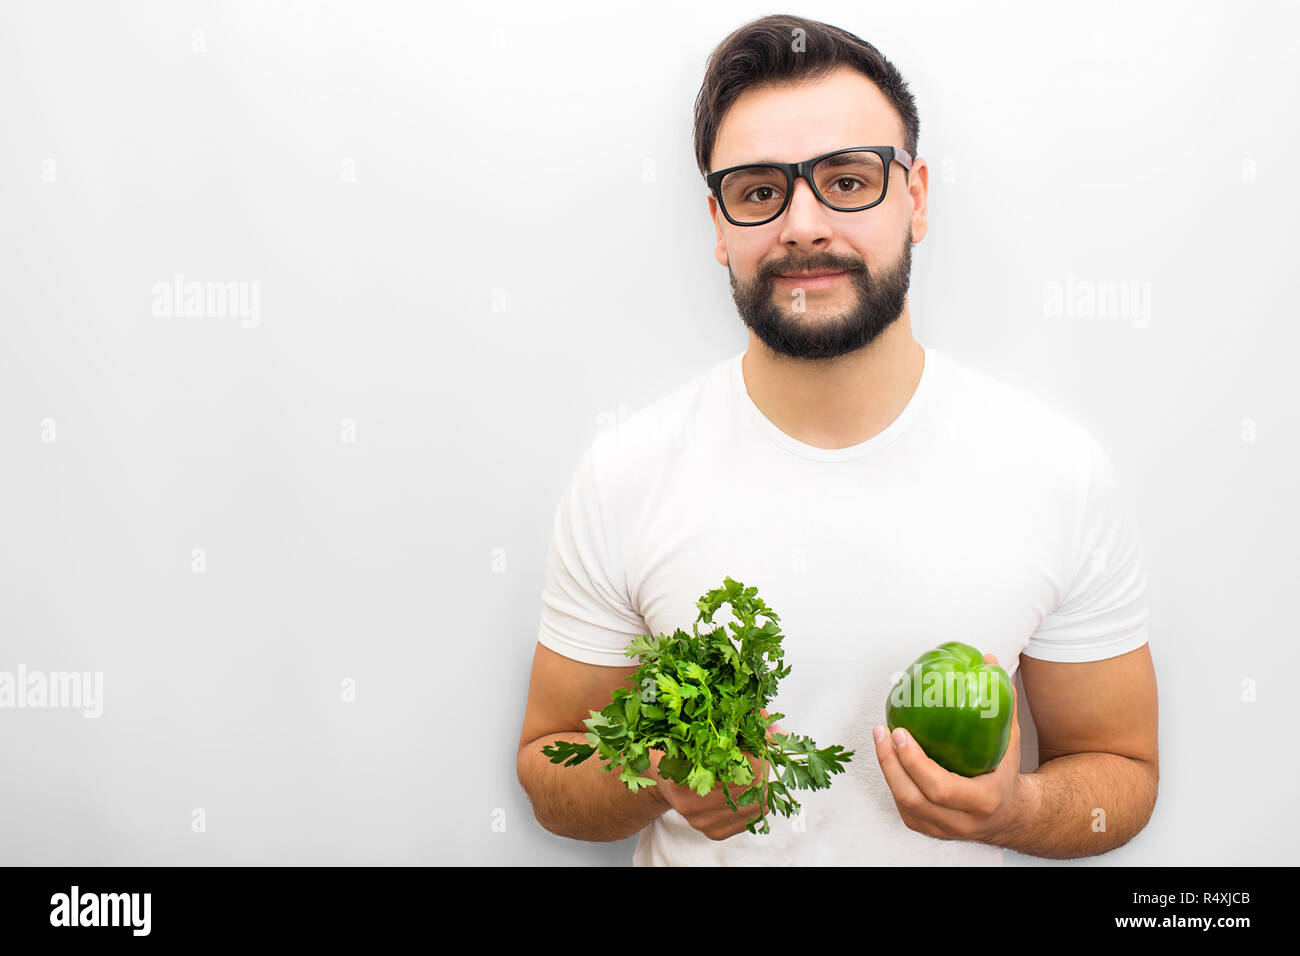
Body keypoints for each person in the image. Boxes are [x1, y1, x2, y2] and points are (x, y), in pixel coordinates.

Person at [515, 13, 1158, 865]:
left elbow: (1125, 771)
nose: (804, 225)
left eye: (848, 181)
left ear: (916, 197)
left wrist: (1014, 811)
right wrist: (658, 777)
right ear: (718, 224)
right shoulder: (624, 474)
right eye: (758, 191)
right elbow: (549, 772)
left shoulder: (1055, 472)